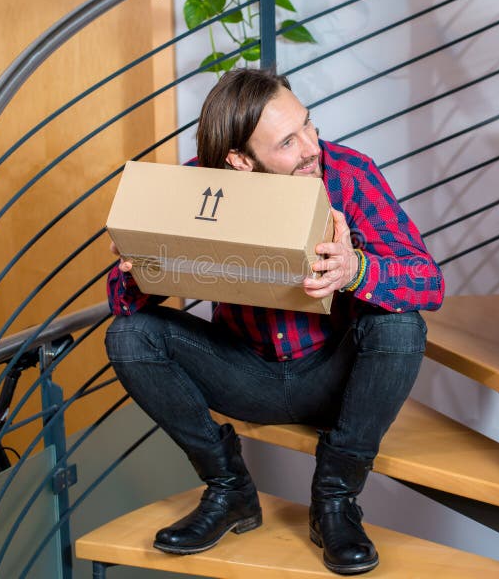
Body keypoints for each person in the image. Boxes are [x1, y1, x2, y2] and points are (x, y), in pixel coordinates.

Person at [105, 68, 444, 575]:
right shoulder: (201, 187)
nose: (313, 146)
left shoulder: (348, 174)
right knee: (128, 337)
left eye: (309, 125)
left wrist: (357, 270)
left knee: (400, 325)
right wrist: (142, 266)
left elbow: (428, 282)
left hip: (334, 378)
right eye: (289, 141)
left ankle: (334, 501)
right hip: (245, 371)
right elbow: (122, 302)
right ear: (241, 161)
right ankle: (229, 490)